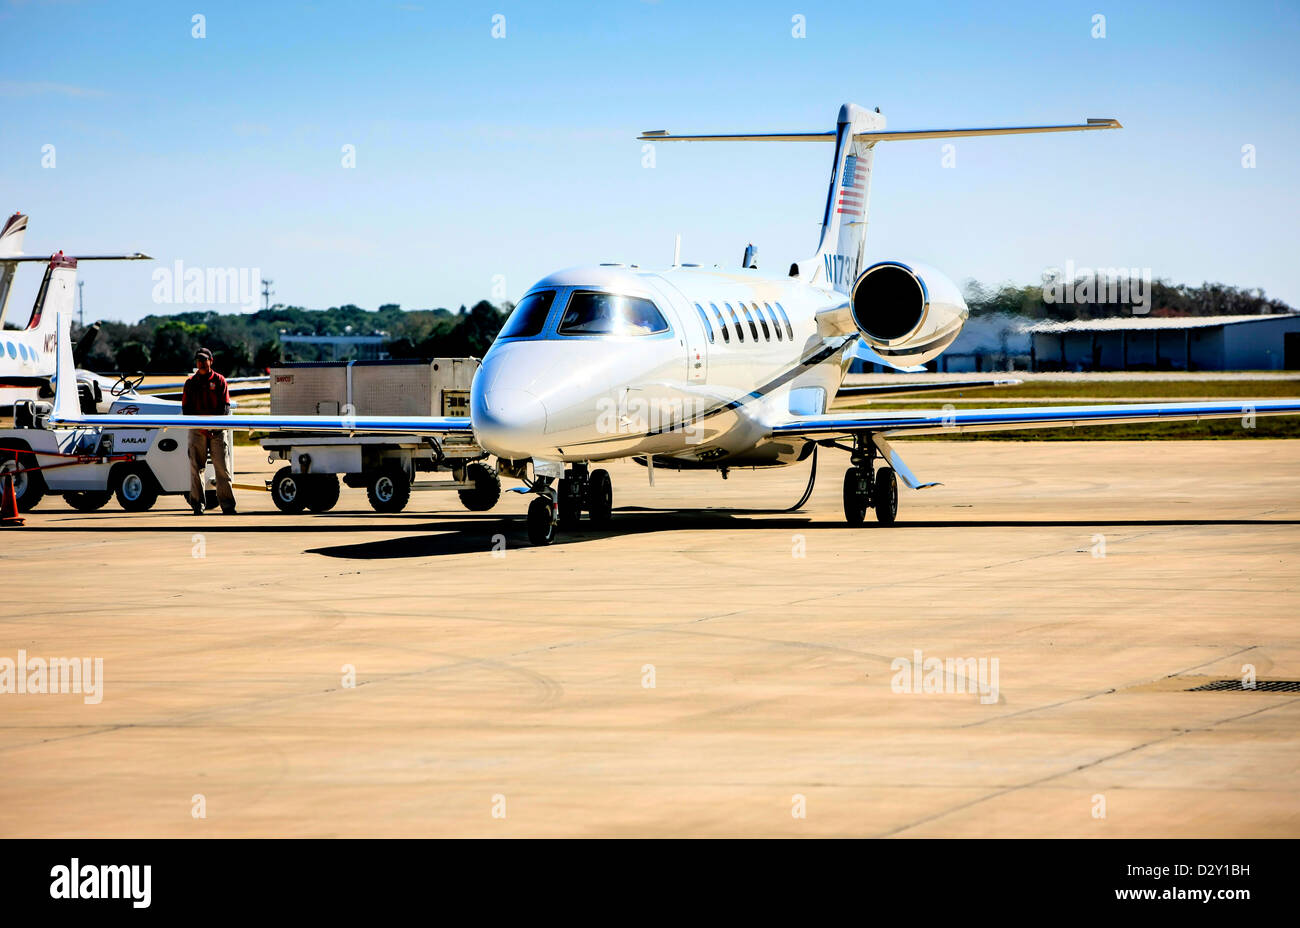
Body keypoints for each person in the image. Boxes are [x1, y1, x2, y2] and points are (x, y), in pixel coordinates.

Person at [182, 347, 235, 515]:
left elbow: (225, 408)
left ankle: (227, 506)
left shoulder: (220, 381)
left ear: (211, 361)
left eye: (204, 360)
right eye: (199, 360)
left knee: (222, 469)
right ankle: (197, 505)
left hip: (218, 429)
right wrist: (203, 428)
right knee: (196, 468)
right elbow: (187, 409)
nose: (201, 363)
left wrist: (214, 428)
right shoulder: (190, 383)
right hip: (197, 430)